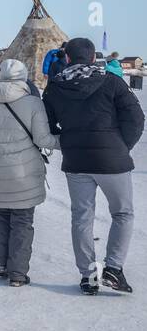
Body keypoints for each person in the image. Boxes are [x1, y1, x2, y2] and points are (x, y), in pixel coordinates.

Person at [43, 37, 144, 295]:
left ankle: (89, 276)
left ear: (67, 58)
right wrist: (123, 146)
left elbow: (48, 124)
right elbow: (136, 116)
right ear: (92, 58)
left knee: (82, 217)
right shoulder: (112, 81)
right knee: (122, 214)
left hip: (76, 161)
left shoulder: (55, 87)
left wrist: (69, 139)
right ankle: (113, 269)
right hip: (113, 161)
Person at [0, 60, 60, 287]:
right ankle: (18, 273)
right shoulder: (32, 103)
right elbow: (42, 139)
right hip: (24, 173)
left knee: (1, 214)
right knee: (22, 220)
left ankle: (0, 265)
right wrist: (69, 141)